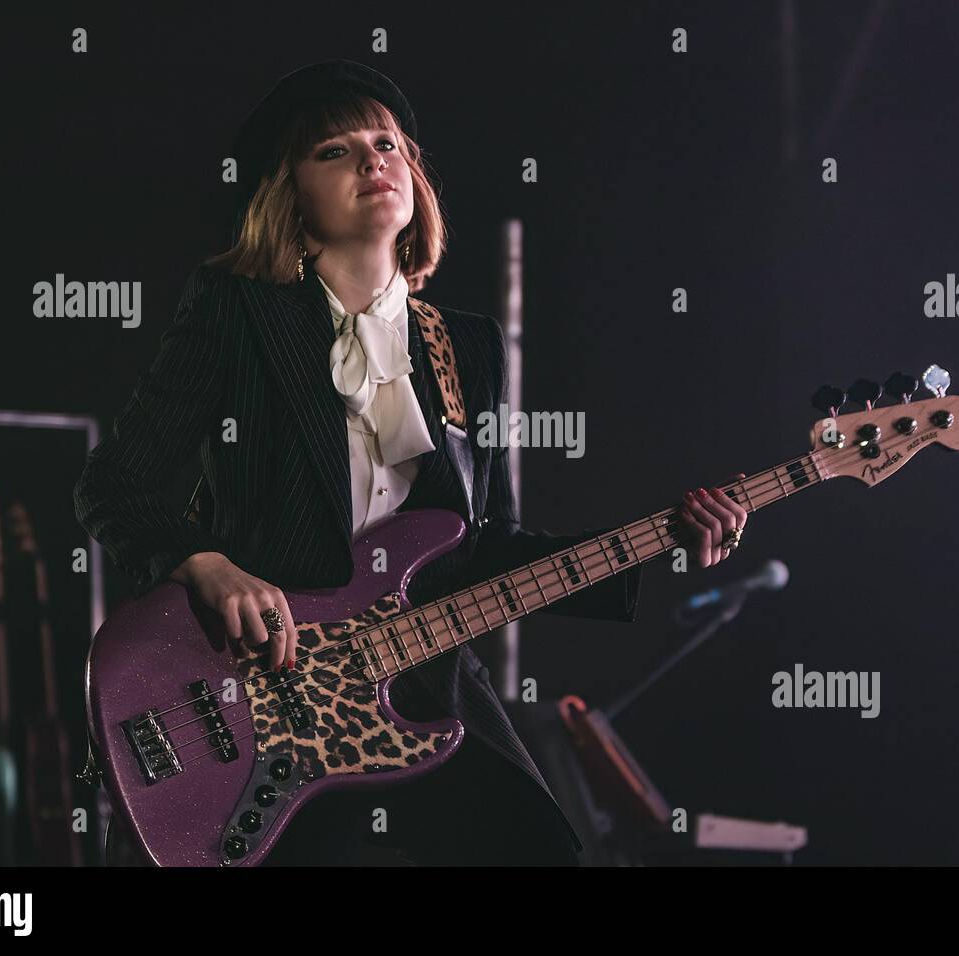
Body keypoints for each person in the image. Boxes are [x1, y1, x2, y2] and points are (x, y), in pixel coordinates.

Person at [74, 60, 748, 866]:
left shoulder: (464, 346)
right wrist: (208, 566)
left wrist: (664, 537)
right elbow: (115, 484)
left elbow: (478, 546)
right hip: (258, 700)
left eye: (388, 142)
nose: (373, 160)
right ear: (287, 193)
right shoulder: (234, 313)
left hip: (418, 692)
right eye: (336, 150)